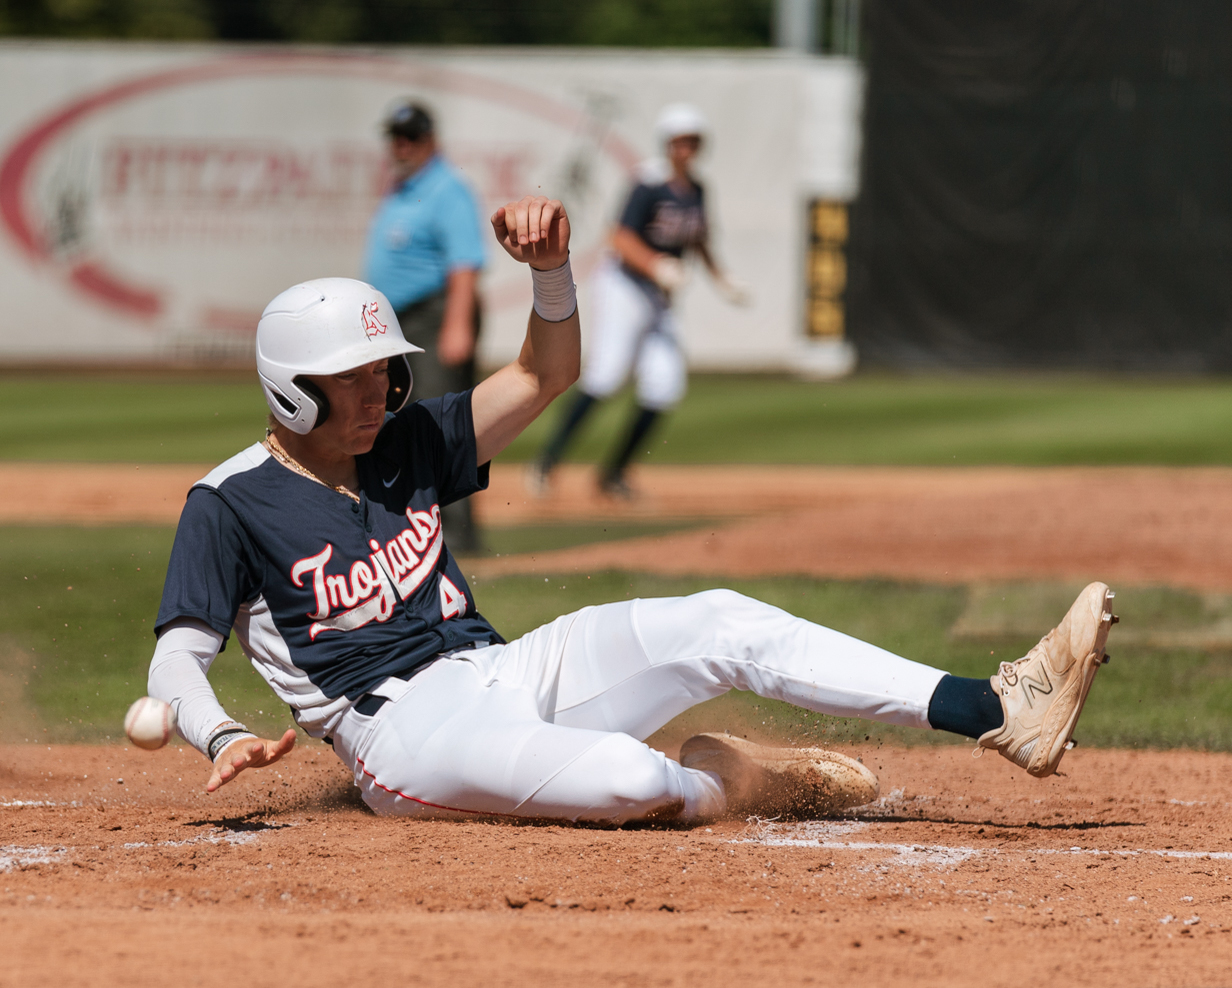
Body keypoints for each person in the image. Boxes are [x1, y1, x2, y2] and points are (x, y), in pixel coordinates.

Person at [142, 194, 1116, 823]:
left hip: (504, 665)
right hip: (401, 737)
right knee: (630, 779)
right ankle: (747, 781)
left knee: (720, 617)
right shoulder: (228, 503)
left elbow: (544, 370)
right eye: (348, 382)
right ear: (290, 392)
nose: (376, 396)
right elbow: (173, 661)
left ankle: (995, 707)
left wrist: (550, 270)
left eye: (382, 373)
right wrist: (220, 732)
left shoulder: (404, 442)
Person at [530, 103, 749, 500]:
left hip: (659, 296)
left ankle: (612, 475)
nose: (688, 148)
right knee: (607, 375)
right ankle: (546, 463)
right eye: (682, 141)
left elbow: (697, 236)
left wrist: (721, 277)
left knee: (664, 385)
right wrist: (656, 266)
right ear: (668, 144)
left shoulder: (697, 188)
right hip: (625, 285)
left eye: (694, 141)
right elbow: (619, 237)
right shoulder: (649, 182)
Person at [362, 99, 489, 549]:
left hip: (434, 315)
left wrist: (457, 325)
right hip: (399, 321)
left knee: (441, 424)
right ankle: (411, 533)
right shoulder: (402, 188)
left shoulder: (446, 188)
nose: (401, 145)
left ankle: (458, 537)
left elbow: (465, 263)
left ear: (430, 140)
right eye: (395, 136)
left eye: (411, 136)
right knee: (400, 424)